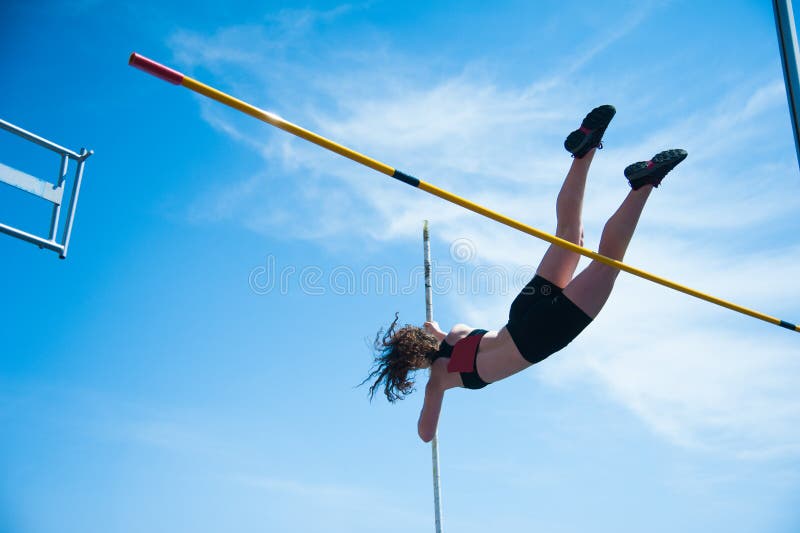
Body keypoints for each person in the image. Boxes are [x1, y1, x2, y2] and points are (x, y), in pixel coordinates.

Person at [360, 105, 687, 442]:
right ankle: (584, 152)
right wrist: (435, 331)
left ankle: (644, 184)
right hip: (520, 315)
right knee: (568, 234)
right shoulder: (455, 333)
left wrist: (429, 393)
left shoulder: (439, 379)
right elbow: (444, 340)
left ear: (411, 364)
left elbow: (425, 434)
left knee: (608, 264)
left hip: (538, 337)